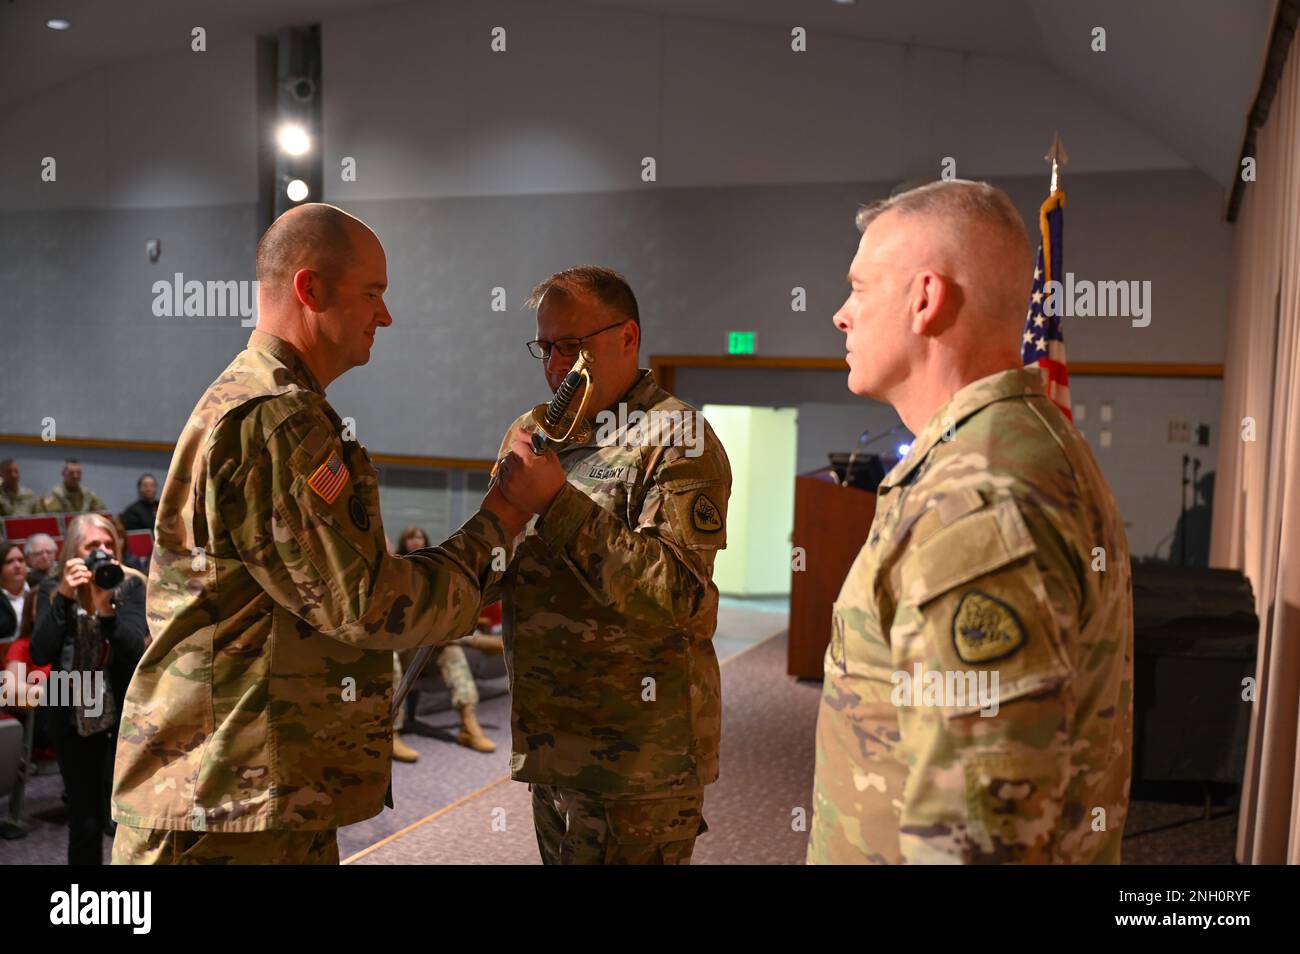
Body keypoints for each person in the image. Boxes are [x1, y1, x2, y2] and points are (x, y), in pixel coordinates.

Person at [110, 203, 535, 865]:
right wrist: (503, 519)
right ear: (310, 291)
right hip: (228, 809)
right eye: (373, 294)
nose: (385, 317)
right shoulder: (281, 420)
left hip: (246, 792)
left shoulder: (262, 403)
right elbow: (365, 603)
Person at [806, 180, 1134, 865]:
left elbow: (979, 839)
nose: (841, 314)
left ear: (925, 299)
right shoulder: (1012, 447)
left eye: (860, 288)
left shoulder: (976, 499)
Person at [490, 266, 732, 865]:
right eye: (545, 347)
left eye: (572, 347)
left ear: (627, 338)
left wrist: (557, 503)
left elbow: (679, 596)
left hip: (639, 760)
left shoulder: (678, 438)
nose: (555, 366)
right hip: (550, 741)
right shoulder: (532, 432)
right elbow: (503, 555)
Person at [31, 514, 148, 865]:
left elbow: (132, 652)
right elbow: (41, 652)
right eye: (92, 546)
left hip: (122, 710)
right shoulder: (52, 588)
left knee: (126, 818)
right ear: (73, 552)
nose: (103, 552)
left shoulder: (130, 585)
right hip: (72, 708)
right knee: (84, 821)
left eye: (109, 545)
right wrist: (65, 597)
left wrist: (106, 610)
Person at [392, 526, 496, 757]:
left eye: (419, 536)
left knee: (451, 652)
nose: (415, 541)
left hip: (429, 642)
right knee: (390, 657)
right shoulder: (394, 571)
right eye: (410, 537)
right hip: (399, 646)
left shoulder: (435, 571)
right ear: (403, 542)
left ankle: (469, 725)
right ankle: (392, 733)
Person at [39, 460, 106, 515]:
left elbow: (102, 512)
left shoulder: (87, 494)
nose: (75, 476)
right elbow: (54, 518)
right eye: (71, 473)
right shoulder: (53, 495)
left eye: (78, 473)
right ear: (63, 473)